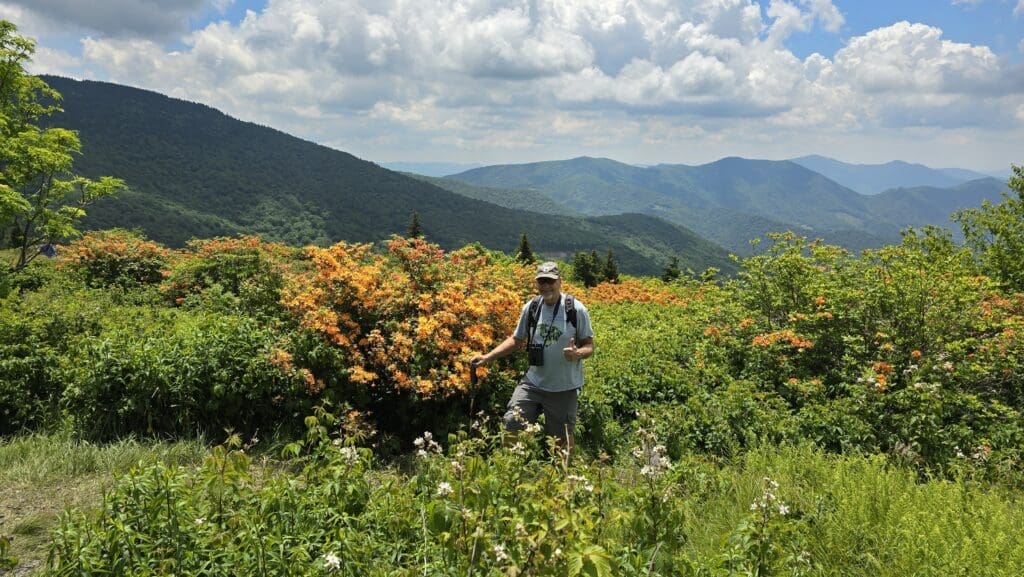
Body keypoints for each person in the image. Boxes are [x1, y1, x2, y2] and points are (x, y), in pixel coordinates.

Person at [470, 261, 595, 452]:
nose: (545, 286)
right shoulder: (532, 307)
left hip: (563, 388)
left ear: (559, 282)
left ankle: (562, 477)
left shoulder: (576, 309)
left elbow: (589, 345)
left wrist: (577, 354)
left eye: (549, 281)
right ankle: (510, 465)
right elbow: (516, 340)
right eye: (541, 281)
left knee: (559, 442)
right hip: (533, 382)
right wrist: (488, 357)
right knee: (512, 422)